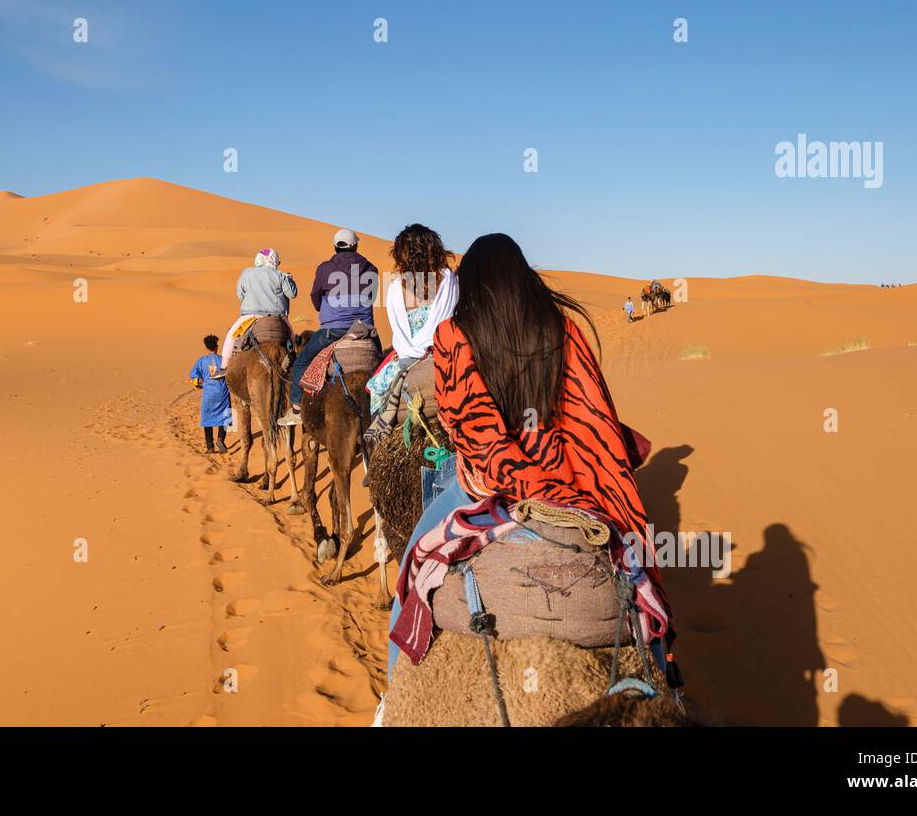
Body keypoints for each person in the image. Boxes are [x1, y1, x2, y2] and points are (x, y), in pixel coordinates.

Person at [387, 232, 674, 675]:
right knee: (635, 575)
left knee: (409, 571)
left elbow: (464, 424)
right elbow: (593, 417)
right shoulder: (561, 328)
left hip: (487, 490)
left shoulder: (452, 334)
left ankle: (391, 701)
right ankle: (664, 671)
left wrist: (509, 470)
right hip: (574, 484)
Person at [279, 229, 379, 426]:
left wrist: (323, 307)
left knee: (301, 362)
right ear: (356, 245)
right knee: (382, 363)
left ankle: (297, 408)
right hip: (365, 329)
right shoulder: (371, 269)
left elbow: (315, 296)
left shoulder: (325, 269)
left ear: (335, 246)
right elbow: (372, 297)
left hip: (334, 331)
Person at [366, 224, 458, 413]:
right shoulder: (447, 280)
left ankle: (378, 434)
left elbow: (398, 331)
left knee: (373, 394)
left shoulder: (395, 287)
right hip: (446, 355)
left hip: (406, 357)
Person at [216, 247, 298, 373]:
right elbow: (292, 294)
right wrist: (290, 280)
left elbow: (240, 294)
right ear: (274, 260)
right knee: (292, 337)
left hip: (251, 316)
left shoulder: (246, 273)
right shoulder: (281, 275)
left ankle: (224, 367)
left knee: (231, 336)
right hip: (278, 316)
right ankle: (295, 364)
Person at [189, 334, 232, 453]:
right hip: (223, 393)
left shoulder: (202, 360)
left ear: (206, 347)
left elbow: (194, 376)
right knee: (226, 416)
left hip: (208, 394)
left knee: (207, 419)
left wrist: (198, 383)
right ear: (217, 347)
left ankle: (210, 447)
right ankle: (221, 439)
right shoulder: (224, 359)